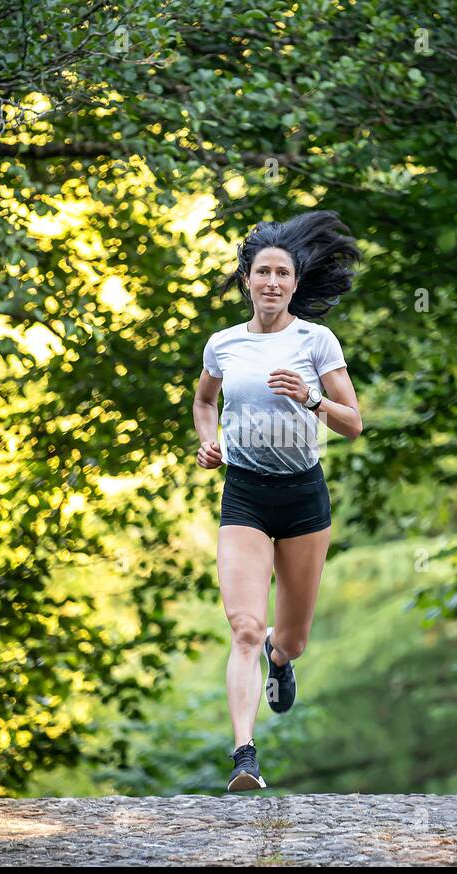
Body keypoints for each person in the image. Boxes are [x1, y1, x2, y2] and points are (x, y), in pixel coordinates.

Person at [192, 210, 363, 792]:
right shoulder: (223, 344)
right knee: (242, 626)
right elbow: (204, 403)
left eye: (281, 273)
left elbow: (354, 423)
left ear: (294, 283)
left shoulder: (317, 340)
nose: (270, 282)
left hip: (303, 498)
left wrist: (312, 399)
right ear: (246, 280)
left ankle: (281, 660)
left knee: (289, 637)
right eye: (261, 271)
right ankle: (245, 757)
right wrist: (208, 442)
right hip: (244, 493)